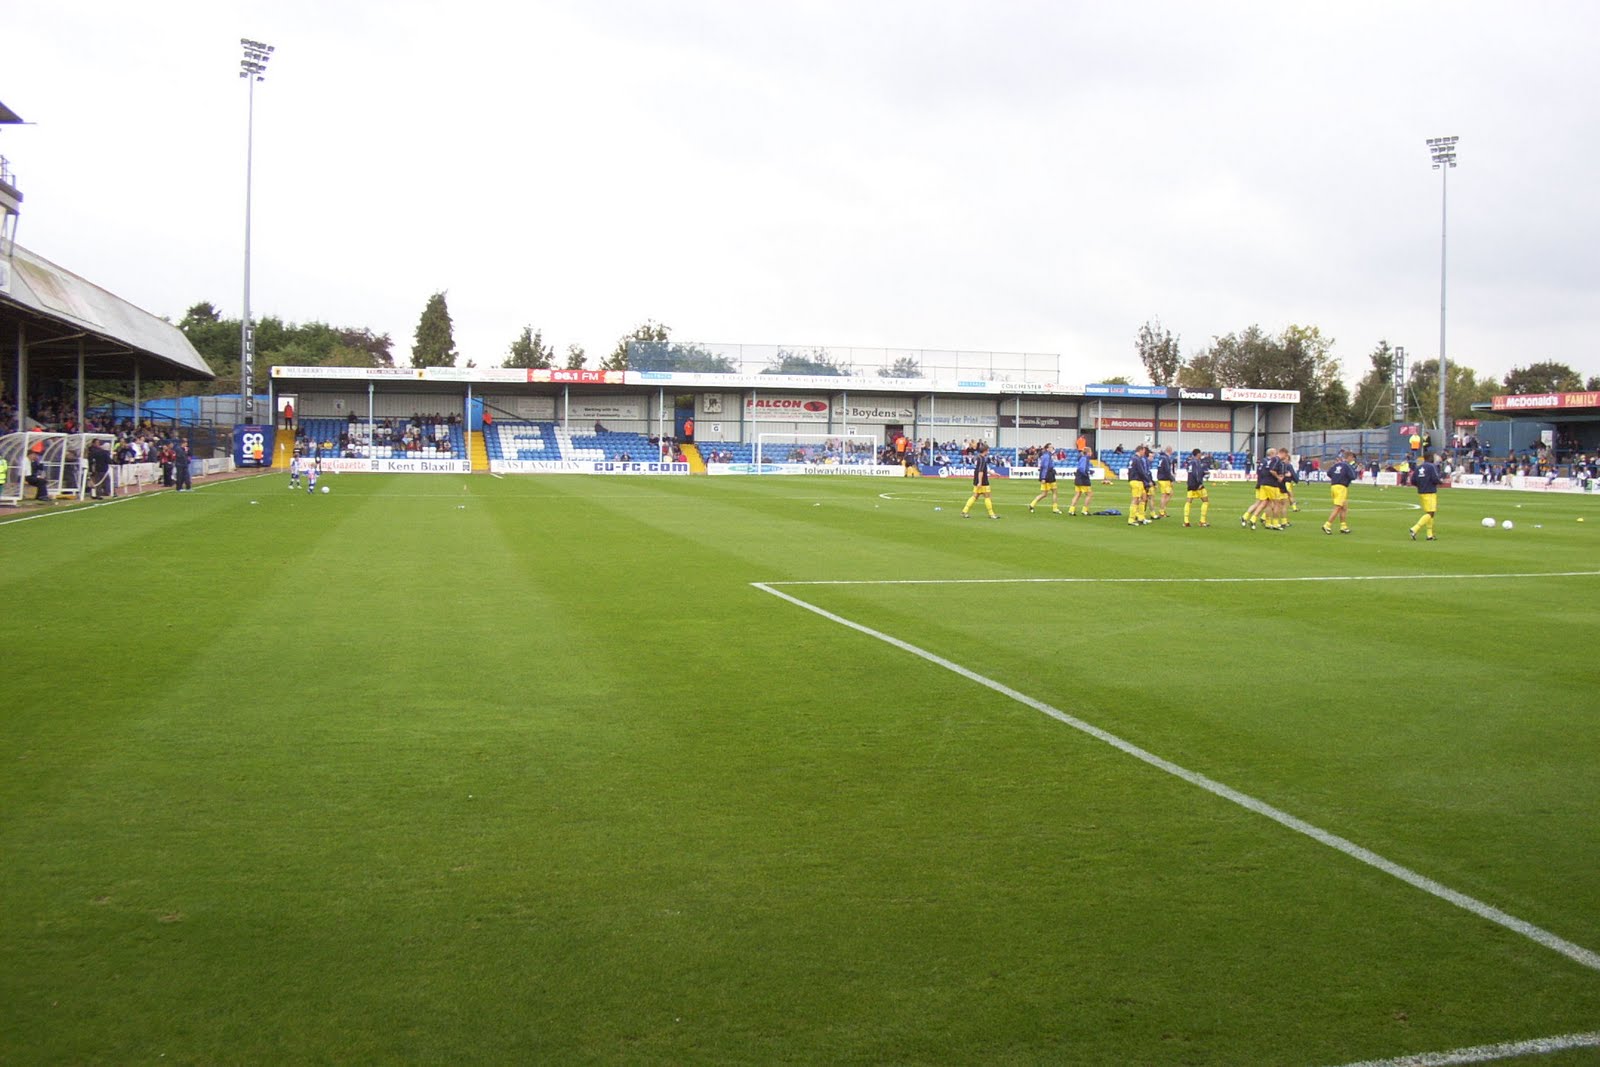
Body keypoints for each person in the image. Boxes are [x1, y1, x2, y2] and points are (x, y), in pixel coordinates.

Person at [960, 442, 999, 519]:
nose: (988, 452)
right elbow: (980, 471)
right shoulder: (981, 459)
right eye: (988, 450)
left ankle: (964, 511)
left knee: (975, 496)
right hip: (982, 481)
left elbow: (984, 469)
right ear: (985, 450)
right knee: (987, 496)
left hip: (977, 479)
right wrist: (980, 482)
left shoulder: (979, 458)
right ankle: (991, 514)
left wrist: (992, 473)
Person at [1409, 452, 1441, 541]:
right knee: (1431, 513)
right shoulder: (1431, 466)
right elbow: (1435, 478)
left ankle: (1429, 535)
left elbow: (1413, 480)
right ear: (1430, 458)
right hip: (1430, 491)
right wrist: (1440, 482)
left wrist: (1420, 485)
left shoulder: (1419, 467)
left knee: (1429, 513)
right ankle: (1414, 529)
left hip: (1421, 492)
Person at [1323, 449, 1357, 534]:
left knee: (1344, 507)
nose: (1353, 460)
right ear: (1349, 457)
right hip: (1341, 487)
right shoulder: (1347, 465)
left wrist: (1336, 477)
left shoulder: (1337, 464)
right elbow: (1353, 476)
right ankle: (1327, 525)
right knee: (1338, 507)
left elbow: (1329, 473)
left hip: (1334, 486)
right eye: (1352, 458)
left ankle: (1343, 526)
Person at [1028, 445, 1061, 514]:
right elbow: (1045, 467)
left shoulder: (1046, 455)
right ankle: (1055, 508)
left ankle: (1032, 505)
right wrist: (1043, 478)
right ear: (1047, 448)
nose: (1052, 448)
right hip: (1048, 476)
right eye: (1051, 447)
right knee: (1054, 492)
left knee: (1044, 494)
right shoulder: (1047, 456)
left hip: (1047, 475)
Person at [1183, 448, 1210, 527]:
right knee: (1205, 501)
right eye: (1200, 454)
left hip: (1190, 484)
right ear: (1198, 454)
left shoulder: (1190, 462)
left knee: (1188, 501)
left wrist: (1203, 473)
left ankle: (1186, 521)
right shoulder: (1196, 461)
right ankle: (1202, 521)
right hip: (1197, 485)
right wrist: (1200, 483)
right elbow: (1196, 473)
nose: (1201, 455)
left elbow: (1191, 472)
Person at [1126, 444, 1151, 526]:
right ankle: (1131, 519)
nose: (1144, 453)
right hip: (1137, 481)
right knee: (1136, 499)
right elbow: (1141, 471)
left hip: (1136, 481)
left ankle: (1141, 517)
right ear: (1140, 450)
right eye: (1144, 451)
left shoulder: (1132, 458)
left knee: (1144, 497)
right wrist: (1148, 480)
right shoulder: (1137, 459)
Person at [1068, 448, 1095, 515]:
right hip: (1083, 479)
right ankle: (1084, 510)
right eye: (1091, 451)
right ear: (1088, 452)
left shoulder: (1082, 458)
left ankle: (1071, 510)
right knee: (1089, 494)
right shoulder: (1085, 458)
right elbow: (1082, 468)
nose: (1091, 453)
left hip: (1078, 478)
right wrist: (1087, 473)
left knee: (1077, 494)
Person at [1154, 445, 1176, 519]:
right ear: (1170, 450)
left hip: (1162, 478)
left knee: (1167, 494)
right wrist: (1172, 479)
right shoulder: (1166, 458)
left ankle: (1162, 510)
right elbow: (1167, 470)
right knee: (1166, 495)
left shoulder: (1162, 457)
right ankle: (1161, 511)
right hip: (1164, 479)